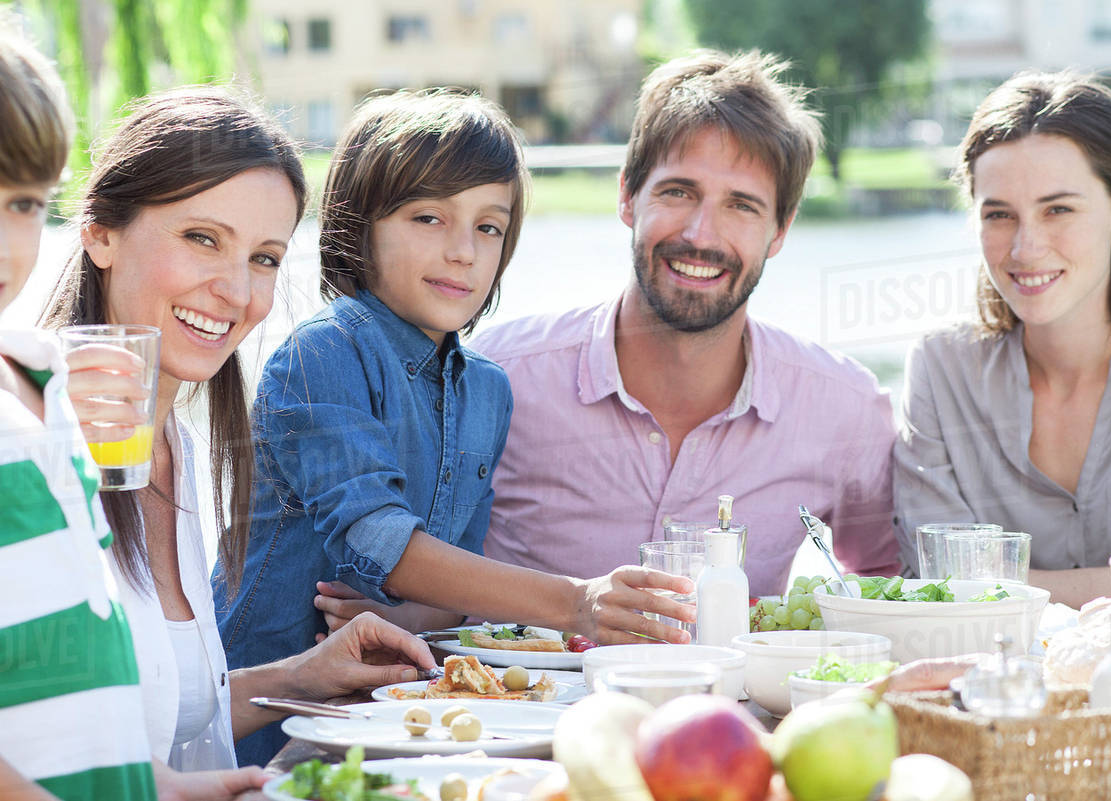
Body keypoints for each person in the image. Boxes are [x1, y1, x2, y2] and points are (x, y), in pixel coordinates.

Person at [215, 90, 695, 767]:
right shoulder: (323, 354)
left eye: (489, 227)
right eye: (429, 217)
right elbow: (385, 544)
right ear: (358, 227)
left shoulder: (489, 390)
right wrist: (577, 601)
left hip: (404, 727)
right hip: (267, 728)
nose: (464, 251)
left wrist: (406, 620)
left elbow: (449, 583)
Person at [40, 86, 436, 775]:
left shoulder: (180, 453)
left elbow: (163, 727)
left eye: (264, 258)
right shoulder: (28, 443)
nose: (237, 290)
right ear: (100, 232)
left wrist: (307, 675)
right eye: (202, 238)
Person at [466, 49, 901, 597]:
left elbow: (890, 592)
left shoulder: (845, 407)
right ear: (628, 195)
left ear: (780, 230)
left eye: (741, 206)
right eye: (678, 192)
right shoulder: (495, 379)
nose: (700, 234)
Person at [892, 71, 1111, 616]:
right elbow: (936, 587)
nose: (1026, 248)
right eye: (999, 215)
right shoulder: (941, 370)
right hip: (995, 695)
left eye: (1058, 209)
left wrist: (1003, 583)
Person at [0, 26, 159, 801]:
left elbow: (69, 677)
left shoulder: (39, 375)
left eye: (23, 204)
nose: (4, 248)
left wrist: (154, 782)